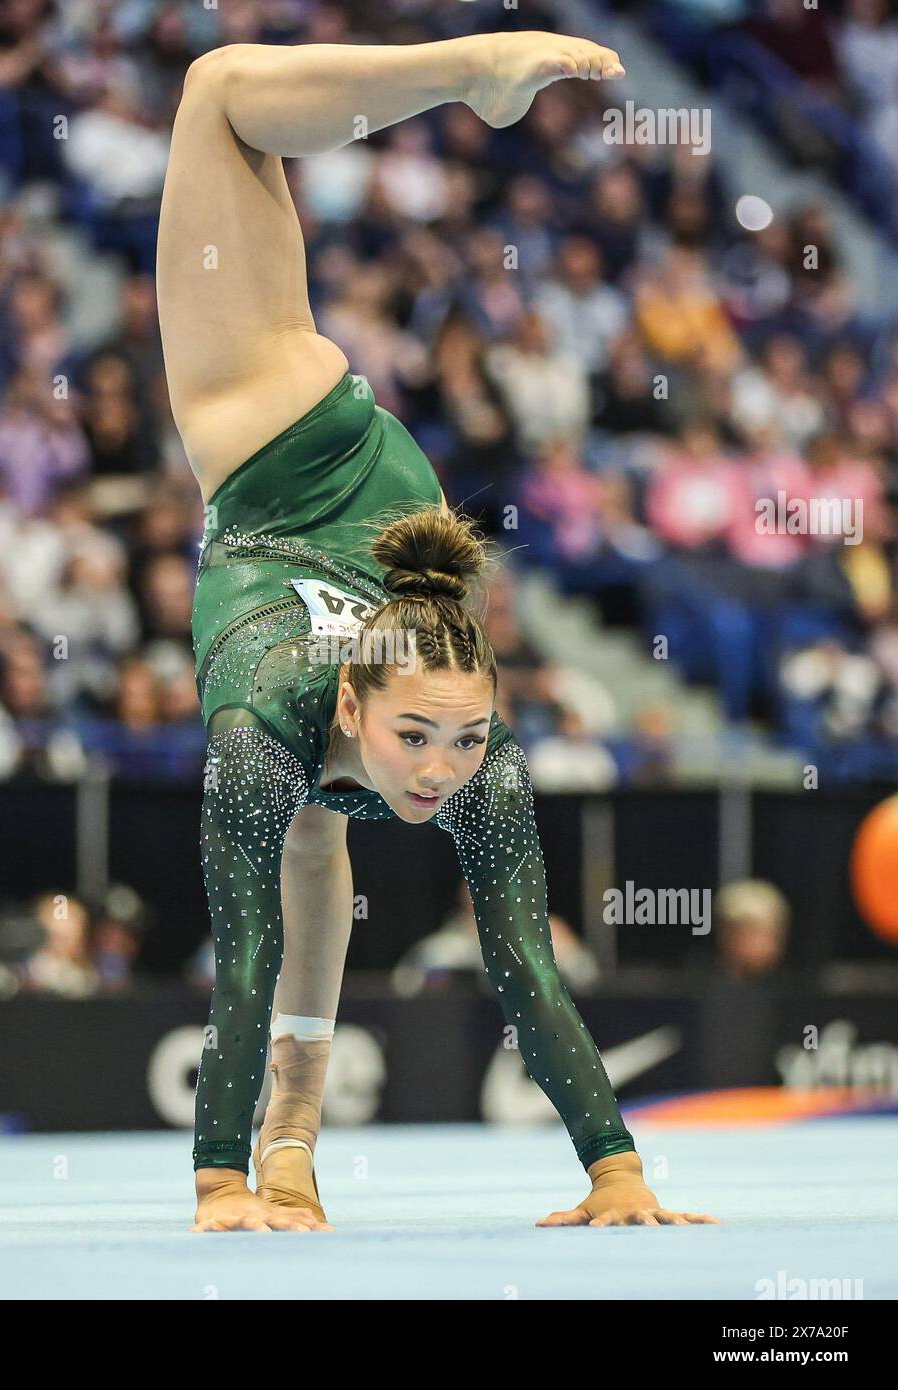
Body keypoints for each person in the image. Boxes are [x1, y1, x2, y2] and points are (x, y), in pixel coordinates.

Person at [157, 28, 719, 1233]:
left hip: (382, 515)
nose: (441, 772)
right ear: (354, 707)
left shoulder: (462, 731)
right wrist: (217, 1183)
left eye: (463, 747)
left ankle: (294, 1153)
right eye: (420, 741)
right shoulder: (267, 721)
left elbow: (524, 963)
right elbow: (243, 952)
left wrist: (616, 1175)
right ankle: (465, 69)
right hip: (275, 454)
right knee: (213, 95)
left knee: (315, 839)